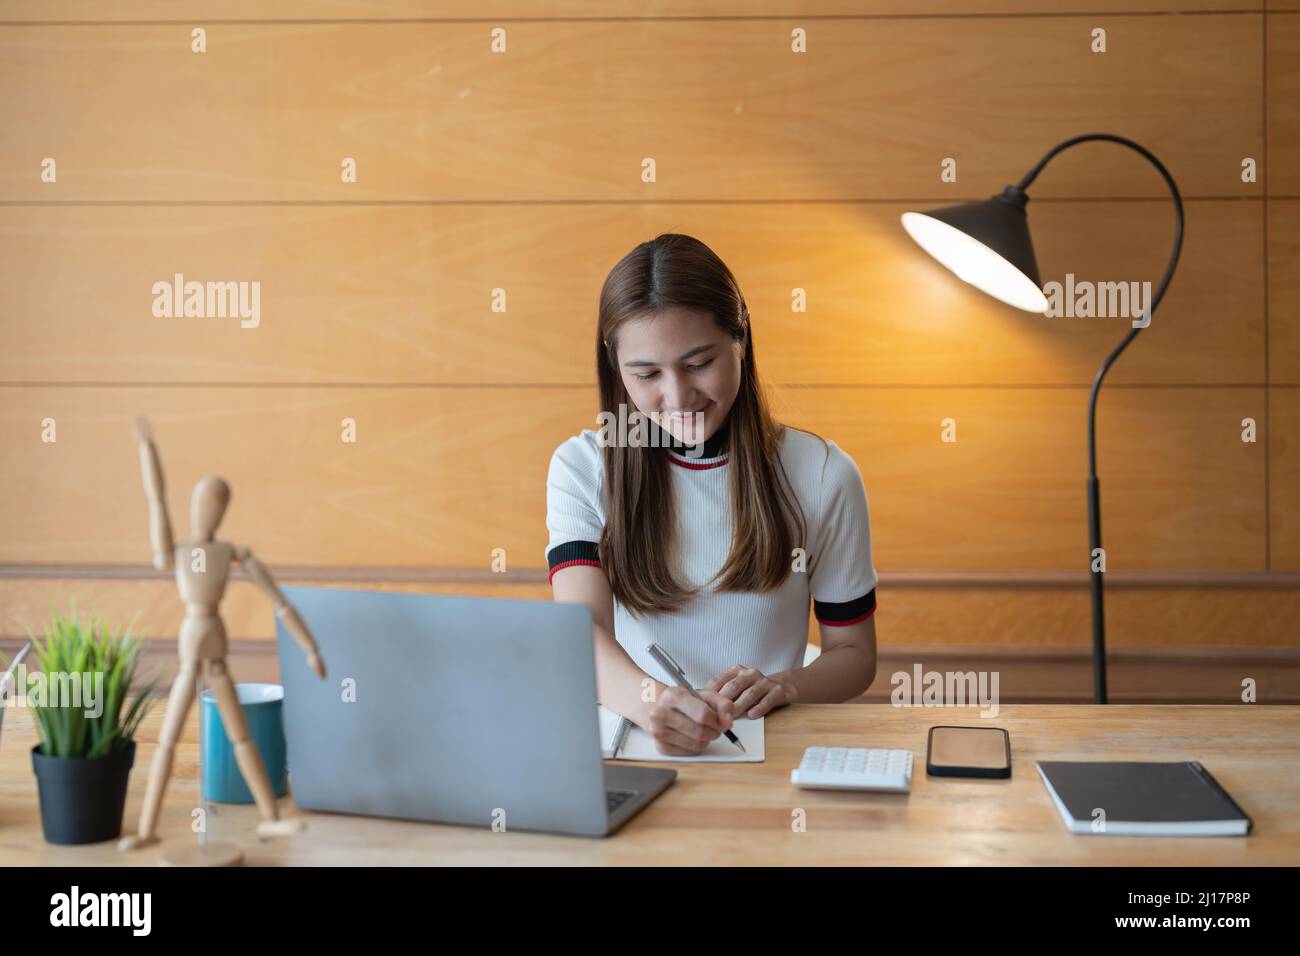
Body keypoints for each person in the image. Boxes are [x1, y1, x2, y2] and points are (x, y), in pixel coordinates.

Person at [546, 233, 877, 756]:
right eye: (647, 373)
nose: (678, 398)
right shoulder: (582, 467)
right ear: (616, 368)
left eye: (699, 363)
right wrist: (656, 702)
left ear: (740, 339)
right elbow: (579, 636)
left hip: (765, 744)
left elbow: (854, 655)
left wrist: (788, 685)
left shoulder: (823, 473)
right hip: (634, 738)